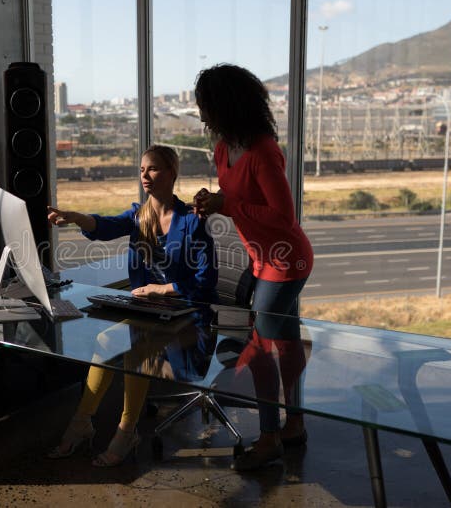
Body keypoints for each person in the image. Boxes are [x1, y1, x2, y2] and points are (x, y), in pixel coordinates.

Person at [46, 144, 218, 466]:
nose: (145, 175)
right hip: (147, 311)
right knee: (109, 340)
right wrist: (73, 217)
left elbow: (206, 282)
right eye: (141, 169)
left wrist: (163, 289)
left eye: (152, 168)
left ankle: (124, 429)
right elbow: (104, 225)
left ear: (171, 173)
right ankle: (85, 423)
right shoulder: (140, 216)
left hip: (186, 311)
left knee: (125, 343)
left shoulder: (191, 222)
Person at [192, 63, 314, 471]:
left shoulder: (264, 151)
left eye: (207, 107)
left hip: (286, 259)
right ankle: (293, 423)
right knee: (287, 341)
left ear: (228, 106)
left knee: (260, 346)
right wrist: (214, 199)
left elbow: (283, 218)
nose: (203, 116)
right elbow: (236, 197)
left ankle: (268, 439)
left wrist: (230, 205)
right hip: (262, 258)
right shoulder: (224, 148)